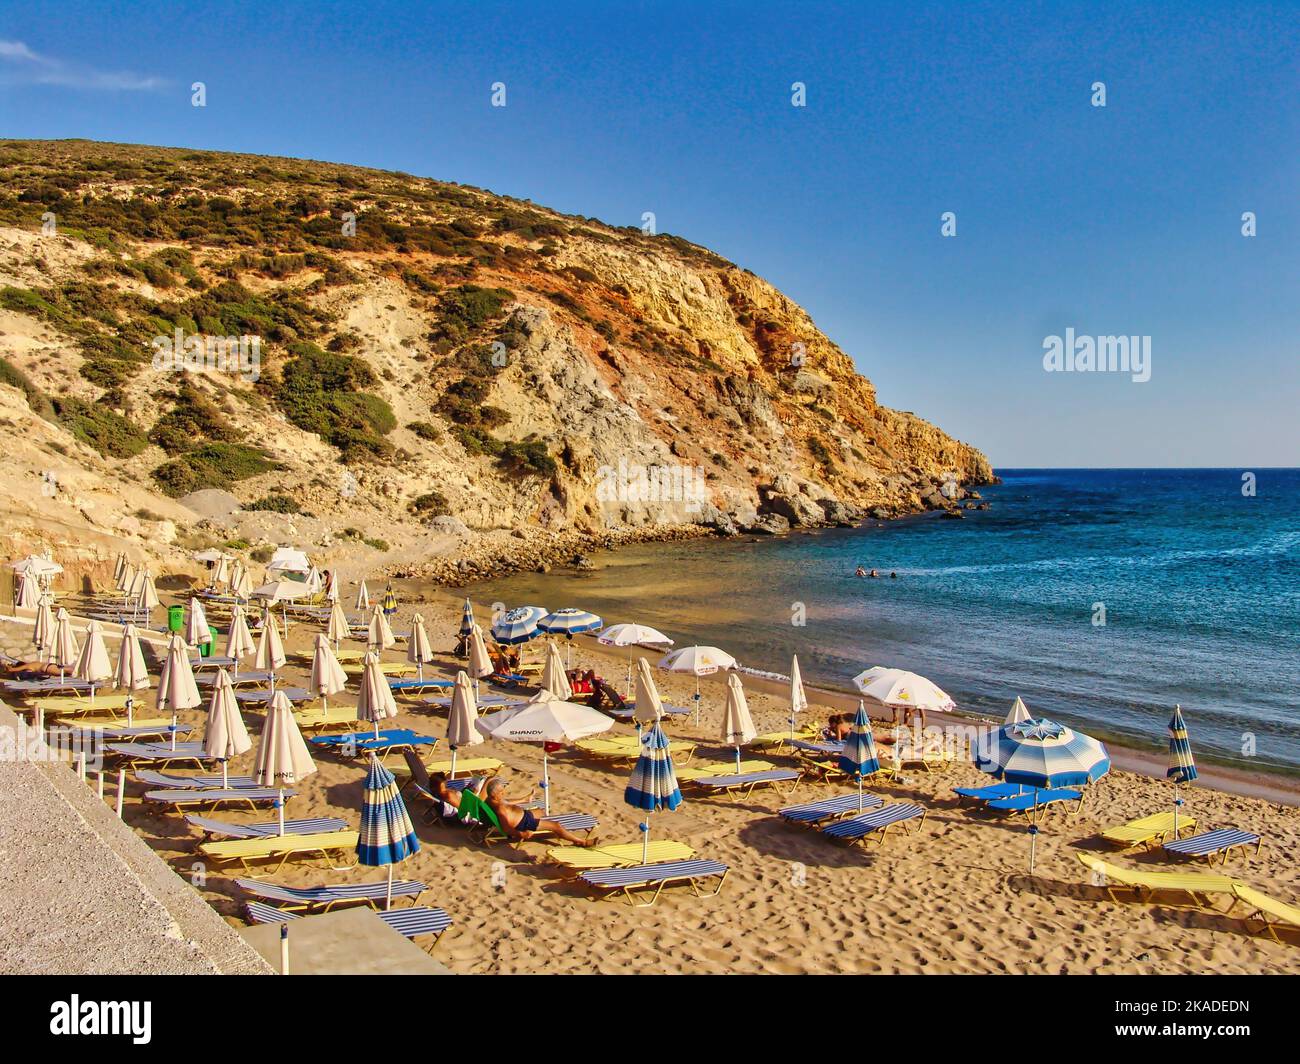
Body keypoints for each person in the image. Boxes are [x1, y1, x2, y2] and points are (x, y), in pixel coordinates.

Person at [483, 777, 598, 845]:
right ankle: (581, 842)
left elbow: (506, 802)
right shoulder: (500, 809)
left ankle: (548, 824)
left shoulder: (490, 800)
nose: (504, 793)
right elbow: (506, 828)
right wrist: (522, 834)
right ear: (495, 794)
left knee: (541, 811)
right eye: (501, 792)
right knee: (556, 825)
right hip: (524, 823)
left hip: (524, 815)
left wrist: (524, 799)